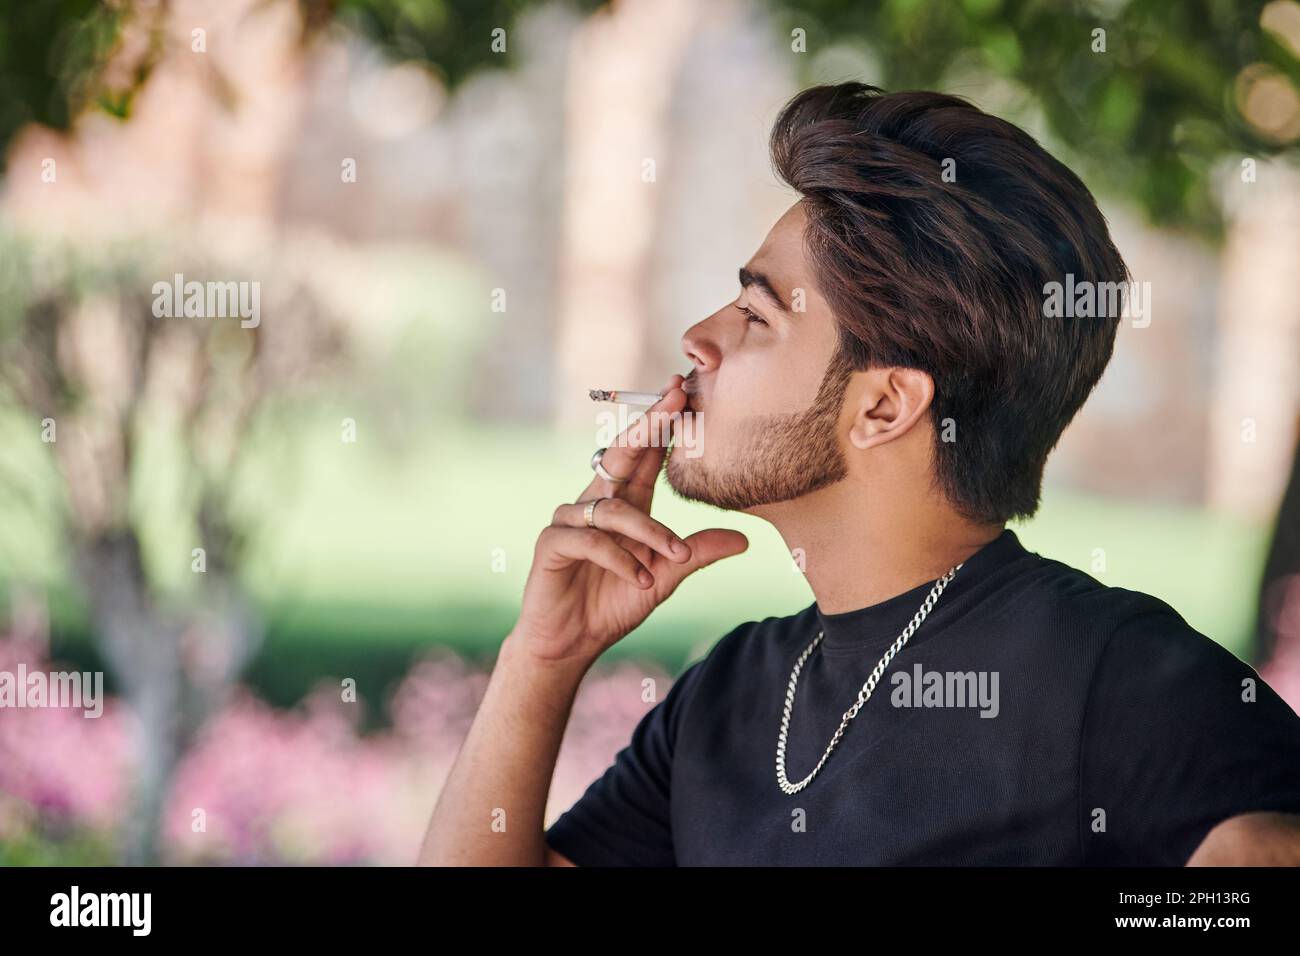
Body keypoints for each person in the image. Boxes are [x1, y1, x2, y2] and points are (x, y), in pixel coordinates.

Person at [419, 83, 1300, 866]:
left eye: (757, 317)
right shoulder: (727, 698)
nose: (699, 338)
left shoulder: (1117, 675)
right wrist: (543, 659)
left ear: (884, 408)